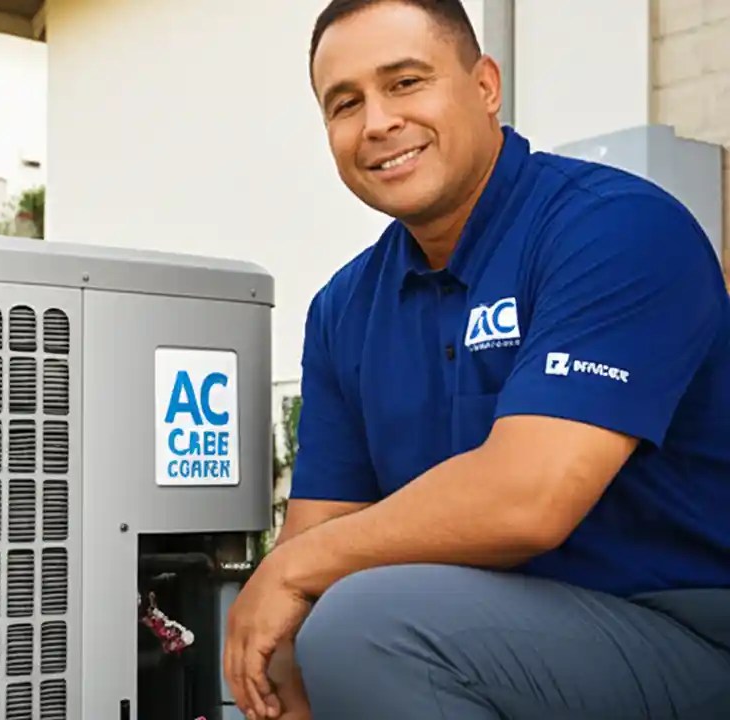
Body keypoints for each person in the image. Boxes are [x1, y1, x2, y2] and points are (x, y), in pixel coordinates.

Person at [221, 0, 730, 718]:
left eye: (405, 83)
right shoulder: (344, 309)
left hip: (690, 631)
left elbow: (530, 499)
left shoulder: (615, 228)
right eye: (345, 103)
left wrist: (292, 572)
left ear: (486, 86)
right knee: (286, 642)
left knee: (363, 624)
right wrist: (281, 616)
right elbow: (319, 528)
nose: (377, 122)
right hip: (489, 632)